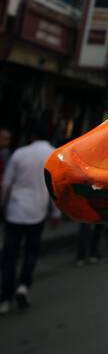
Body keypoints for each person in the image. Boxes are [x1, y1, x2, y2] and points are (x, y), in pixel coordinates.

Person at [0, 115, 56, 312]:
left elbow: (6, 184)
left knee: (9, 255)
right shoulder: (53, 155)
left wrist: (2, 206)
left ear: (31, 135)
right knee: (31, 253)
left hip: (15, 211)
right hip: (37, 212)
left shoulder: (19, 154)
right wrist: (56, 213)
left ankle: (5, 298)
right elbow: (56, 188)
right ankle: (23, 286)